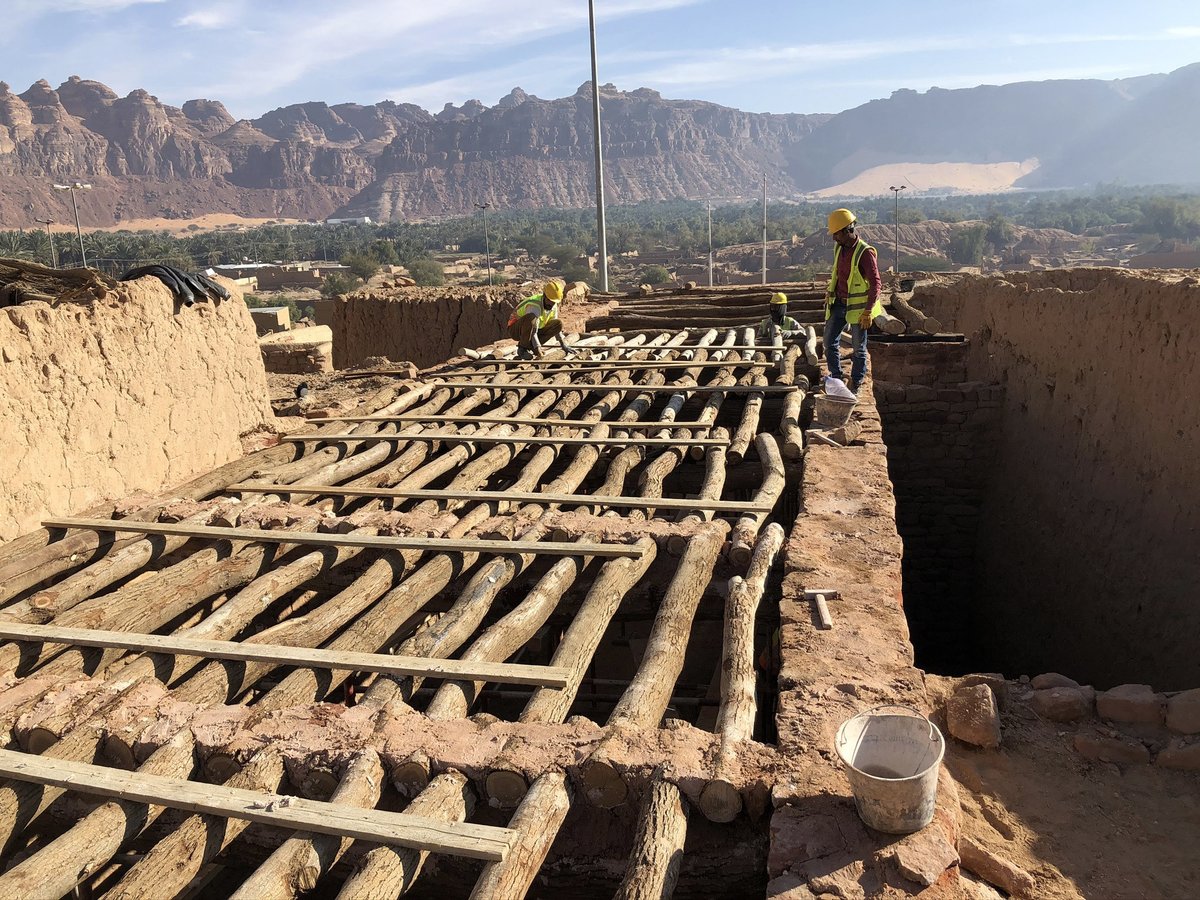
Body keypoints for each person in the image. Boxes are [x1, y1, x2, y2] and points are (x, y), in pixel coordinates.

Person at [823, 208, 882, 394]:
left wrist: (868, 311)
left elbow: (876, 284)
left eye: (837, 233)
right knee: (829, 342)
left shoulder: (865, 252)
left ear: (848, 230)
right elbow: (838, 275)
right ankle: (837, 377)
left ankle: (855, 384)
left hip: (858, 309)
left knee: (858, 349)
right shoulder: (839, 248)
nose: (834, 238)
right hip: (838, 303)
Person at [507, 280, 572, 358]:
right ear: (544, 296)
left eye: (553, 302)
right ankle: (522, 349)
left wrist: (563, 345)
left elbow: (556, 330)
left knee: (558, 324)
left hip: (534, 330)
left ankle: (532, 347)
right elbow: (533, 330)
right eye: (549, 300)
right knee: (531, 318)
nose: (550, 304)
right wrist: (539, 352)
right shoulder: (534, 305)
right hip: (516, 330)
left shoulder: (553, 306)